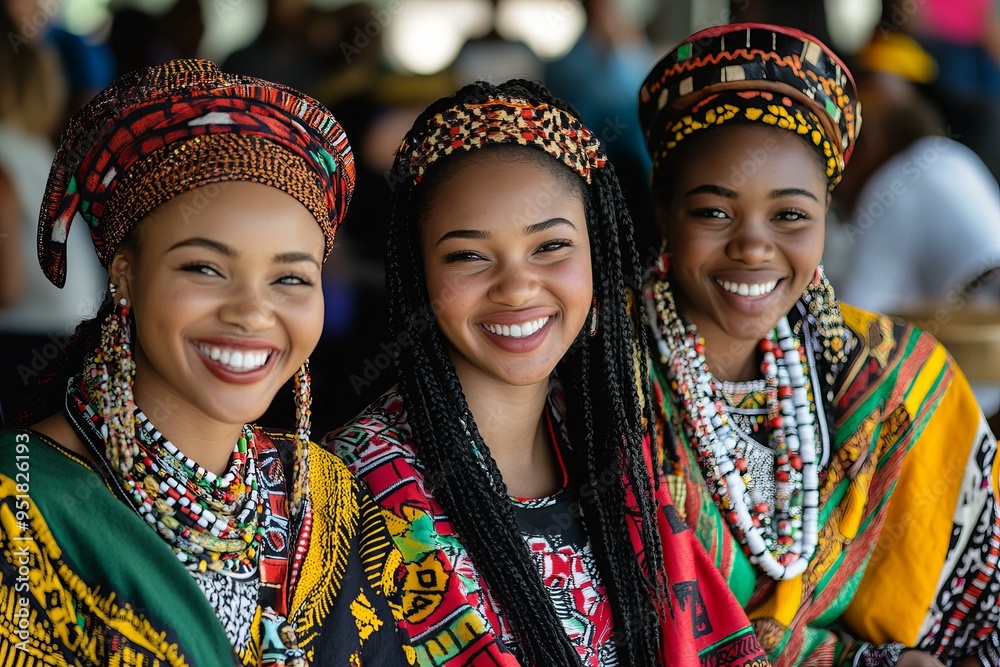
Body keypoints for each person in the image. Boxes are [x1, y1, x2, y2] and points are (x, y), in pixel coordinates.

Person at [322, 79, 770, 666]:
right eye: (468, 256)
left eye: (550, 247)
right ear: (418, 276)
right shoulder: (350, 491)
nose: (516, 288)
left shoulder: (608, 438)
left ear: (597, 257)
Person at [0, 60, 411, 665]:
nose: (252, 312)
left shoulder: (323, 499)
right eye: (205, 268)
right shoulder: (24, 503)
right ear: (125, 274)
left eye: (291, 278)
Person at [639, 23, 1000, 667]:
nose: (754, 246)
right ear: (664, 211)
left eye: (790, 215)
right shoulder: (604, 382)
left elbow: (980, 606)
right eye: (714, 212)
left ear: (827, 216)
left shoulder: (894, 375)